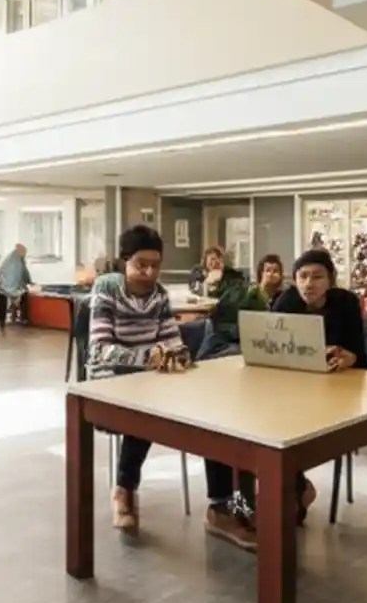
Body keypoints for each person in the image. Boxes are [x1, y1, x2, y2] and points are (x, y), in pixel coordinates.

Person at [90, 225, 251, 548]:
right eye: (140, 264)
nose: (149, 272)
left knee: (213, 413)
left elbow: (172, 342)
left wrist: (173, 355)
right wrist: (147, 357)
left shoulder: (159, 295)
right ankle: (124, 488)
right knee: (147, 412)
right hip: (110, 381)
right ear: (124, 261)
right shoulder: (107, 287)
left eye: (155, 265)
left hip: (152, 378)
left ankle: (222, 505)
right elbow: (99, 350)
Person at [222, 249, 367, 549]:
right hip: (292, 388)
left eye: (317, 277)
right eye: (302, 277)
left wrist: (349, 357)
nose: (308, 284)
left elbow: (361, 356)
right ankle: (287, 492)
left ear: (331, 280)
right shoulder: (286, 302)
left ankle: (290, 491)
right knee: (261, 422)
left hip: (339, 390)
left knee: (289, 426)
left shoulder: (346, 304)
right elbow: (274, 350)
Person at [0, 244, 34, 323]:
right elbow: (25, 275)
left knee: (19, 293)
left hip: (3, 288)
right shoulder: (20, 262)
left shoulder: (7, 260)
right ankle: (23, 318)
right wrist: (30, 282)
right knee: (25, 294)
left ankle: (13, 314)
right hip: (14, 290)